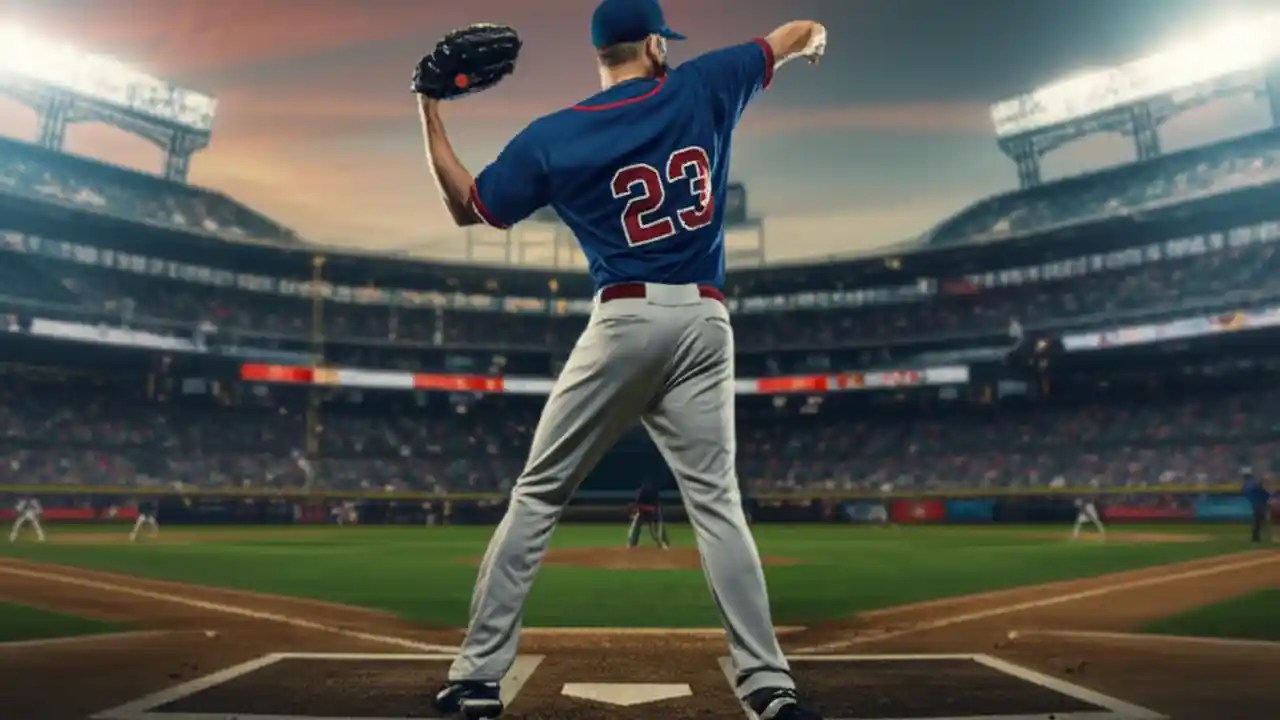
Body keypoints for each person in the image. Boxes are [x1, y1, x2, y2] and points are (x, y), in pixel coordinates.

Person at [416, 1, 827, 718]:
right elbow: (789, 34)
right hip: (705, 320)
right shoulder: (704, 84)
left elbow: (467, 205)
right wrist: (814, 41)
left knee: (540, 495)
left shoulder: (555, 135)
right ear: (656, 48)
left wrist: (427, 105)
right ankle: (770, 686)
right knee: (719, 508)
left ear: (601, 58)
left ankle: (478, 679)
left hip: (624, 317)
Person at [627, 479, 670, 548]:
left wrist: (655, 511)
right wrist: (638, 509)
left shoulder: (654, 492)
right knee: (637, 526)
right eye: (645, 484)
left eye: (648, 484)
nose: (647, 486)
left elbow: (657, 504)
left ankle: (663, 542)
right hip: (643, 512)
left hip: (653, 512)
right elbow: (638, 504)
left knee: (659, 526)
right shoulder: (640, 492)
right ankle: (633, 543)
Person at [1242, 469, 1271, 543]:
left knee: (1260, 521)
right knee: (1259, 521)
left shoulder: (1249, 485)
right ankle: (1257, 537)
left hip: (1258, 504)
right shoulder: (1251, 485)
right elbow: (1259, 487)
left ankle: (1259, 536)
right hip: (1259, 505)